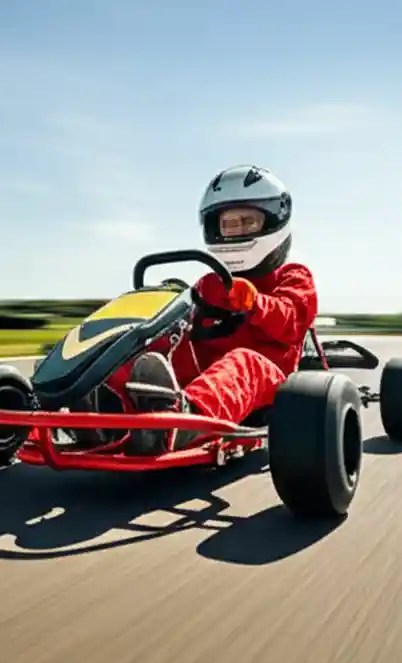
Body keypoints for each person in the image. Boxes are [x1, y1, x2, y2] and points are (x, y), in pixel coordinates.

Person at [101, 164, 319, 455]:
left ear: (272, 222)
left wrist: (255, 303)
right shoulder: (210, 284)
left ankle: (179, 424)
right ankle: (105, 403)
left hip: (269, 385)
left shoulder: (293, 276)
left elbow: (291, 321)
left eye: (248, 221)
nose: (238, 230)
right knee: (152, 347)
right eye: (229, 224)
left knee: (242, 361)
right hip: (202, 379)